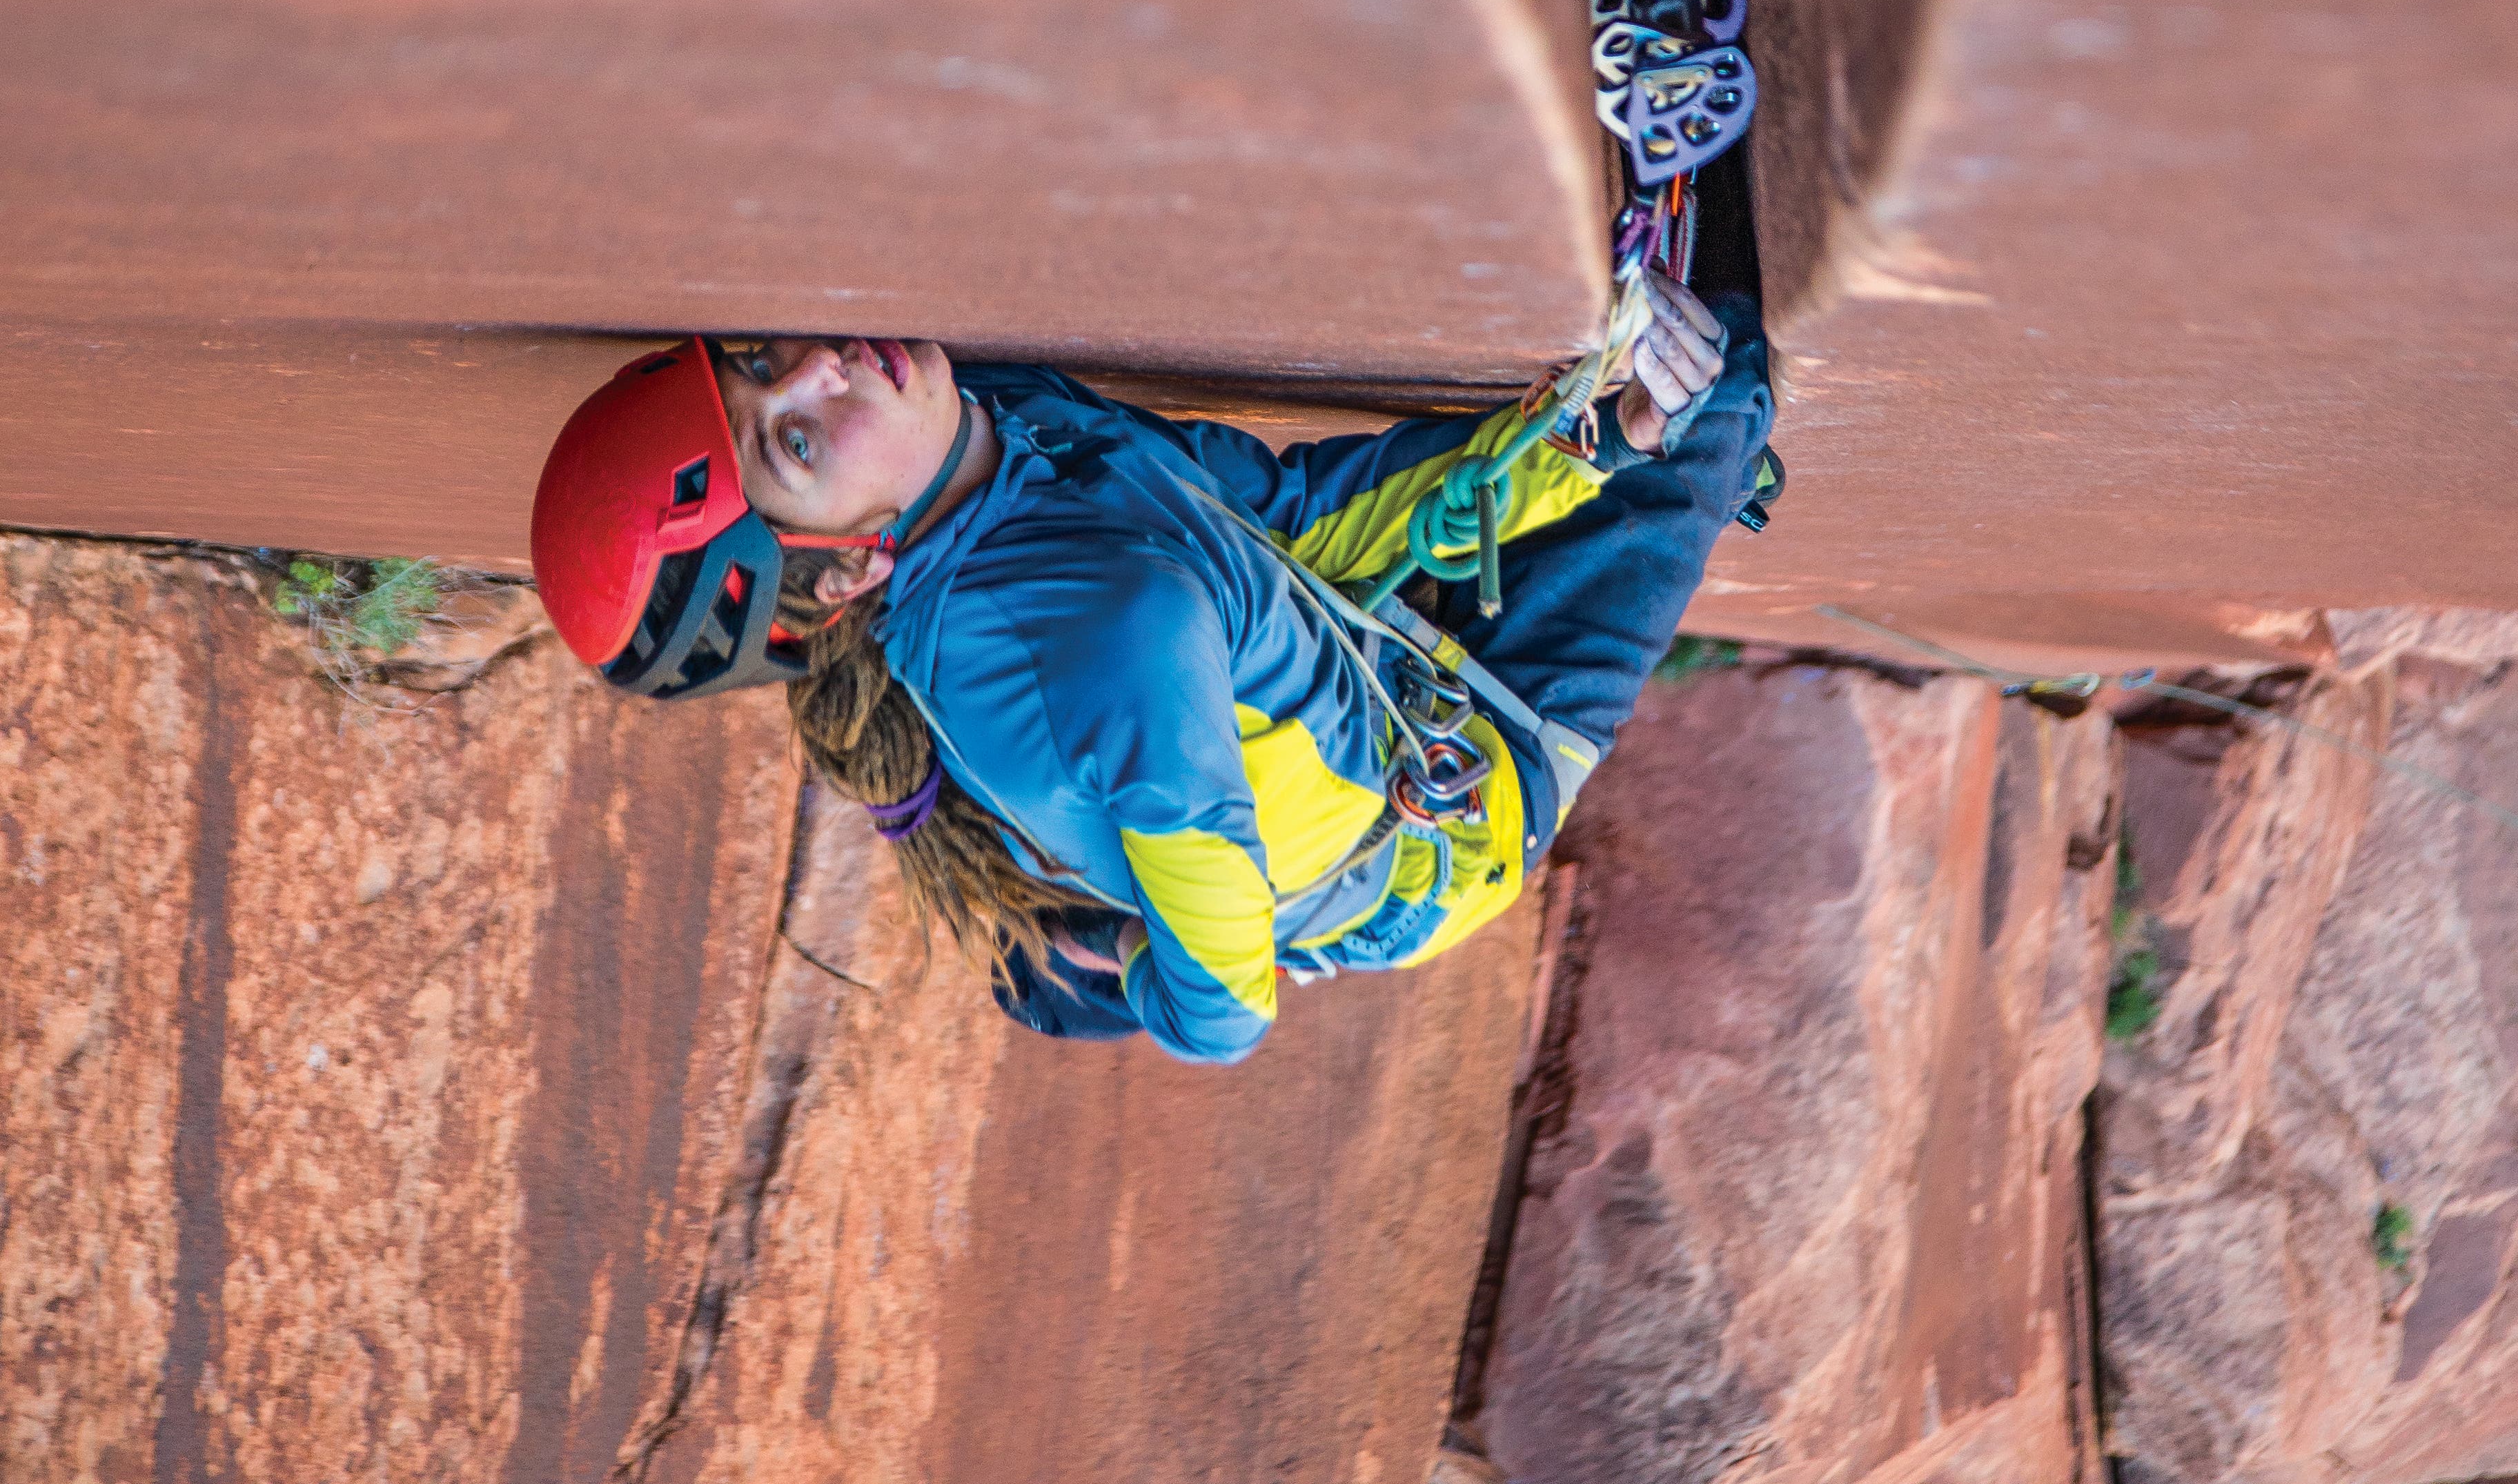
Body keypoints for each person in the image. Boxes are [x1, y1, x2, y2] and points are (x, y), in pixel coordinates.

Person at [530, 278, 1777, 1064]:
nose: (819, 367)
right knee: (1721, 386)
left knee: (1645, 426)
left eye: (758, 363)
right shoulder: (1106, 632)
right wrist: (1149, 966)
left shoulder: (1005, 425)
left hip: (1310, 665)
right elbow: (1226, 1011)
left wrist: (1581, 445)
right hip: (1457, 814)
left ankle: (1077, 939)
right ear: (847, 569)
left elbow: (1286, 524)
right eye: (797, 444)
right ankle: (1100, 957)